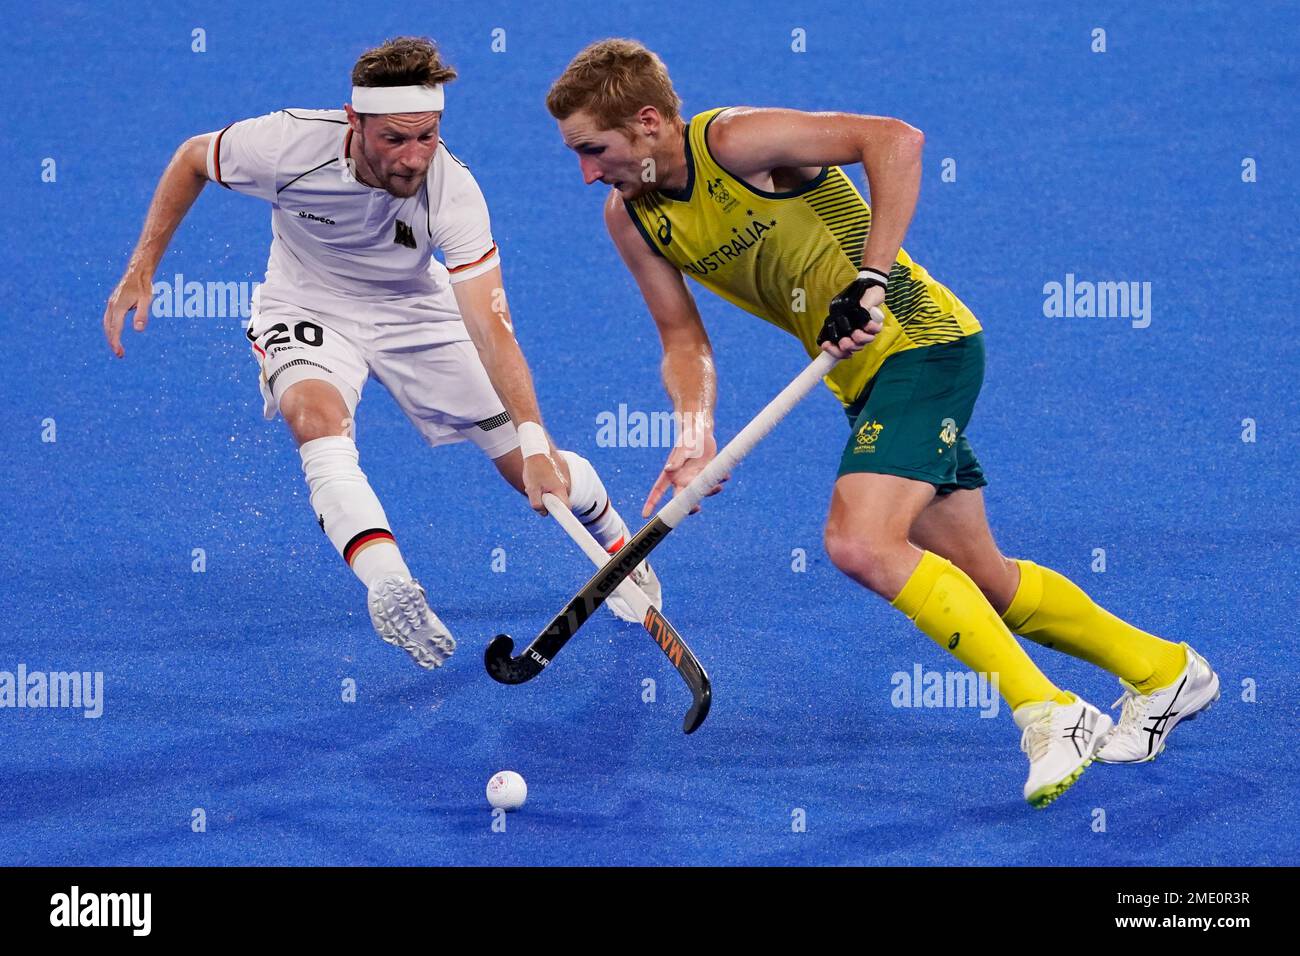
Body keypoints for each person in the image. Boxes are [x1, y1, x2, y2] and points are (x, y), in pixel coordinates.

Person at [544, 38, 1217, 806]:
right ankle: (1165, 672)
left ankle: (1049, 712)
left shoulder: (734, 142)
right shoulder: (631, 218)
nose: (588, 172)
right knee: (982, 580)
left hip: (922, 343)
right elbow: (682, 339)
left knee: (859, 542)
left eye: (594, 150)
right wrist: (694, 433)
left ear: (650, 121)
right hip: (863, 380)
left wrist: (871, 276)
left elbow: (894, 138)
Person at [103, 36, 660, 671]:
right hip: (306, 304)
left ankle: (621, 548)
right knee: (314, 416)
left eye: (426, 136)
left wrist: (534, 441)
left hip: (416, 312)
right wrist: (142, 267)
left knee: (529, 470)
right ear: (353, 122)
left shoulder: (453, 192)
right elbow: (191, 159)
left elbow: (491, 326)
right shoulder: (286, 144)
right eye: (395, 139)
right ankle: (391, 585)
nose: (413, 157)